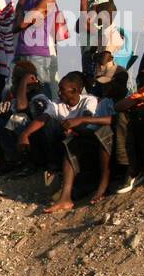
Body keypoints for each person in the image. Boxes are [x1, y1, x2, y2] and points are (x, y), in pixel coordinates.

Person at [50, 72, 127, 211]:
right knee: (73, 141)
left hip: (125, 147)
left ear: (120, 83)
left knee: (104, 132)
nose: (102, 88)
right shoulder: (105, 103)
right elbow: (91, 130)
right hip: (102, 149)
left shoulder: (130, 98)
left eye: (107, 85)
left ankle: (103, 185)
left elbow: (117, 120)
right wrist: (75, 129)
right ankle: (65, 197)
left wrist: (83, 120)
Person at [18, 72, 98, 195]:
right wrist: (25, 134)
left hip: (80, 141)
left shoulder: (89, 100)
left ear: (74, 90)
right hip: (60, 142)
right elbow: (43, 119)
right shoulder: (56, 103)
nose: (59, 93)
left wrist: (73, 129)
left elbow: (87, 120)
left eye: (62, 89)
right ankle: (52, 167)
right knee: (43, 125)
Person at [14, 0, 66, 99]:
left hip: (38, 54)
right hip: (23, 51)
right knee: (20, 92)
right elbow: (16, 24)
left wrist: (22, 2)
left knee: (44, 94)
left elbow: (21, 23)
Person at [0, 59, 43, 173]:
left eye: (17, 79)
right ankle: (6, 162)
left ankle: (27, 163)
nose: (13, 81)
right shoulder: (15, 96)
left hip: (36, 139)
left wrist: (24, 82)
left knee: (17, 119)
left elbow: (21, 107)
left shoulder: (39, 93)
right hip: (19, 137)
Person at [77, 0, 119, 85]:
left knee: (96, 85)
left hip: (96, 54)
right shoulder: (92, 3)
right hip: (87, 50)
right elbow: (79, 26)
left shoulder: (106, 4)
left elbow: (91, 28)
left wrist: (83, 4)